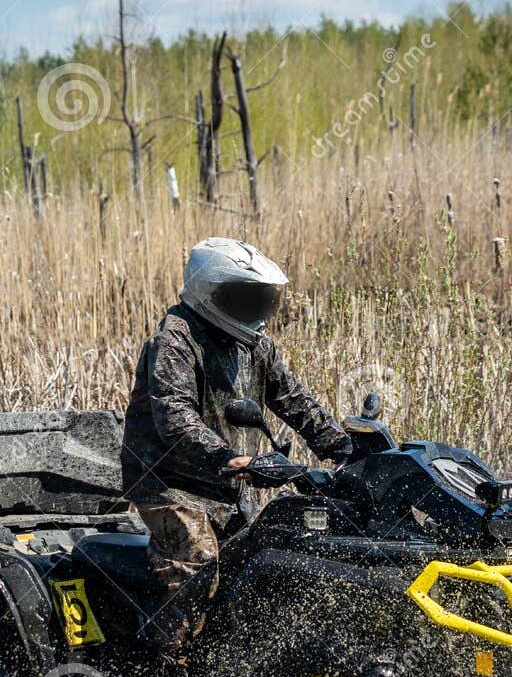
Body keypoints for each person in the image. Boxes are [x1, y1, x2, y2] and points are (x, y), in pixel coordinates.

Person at [121, 237, 352, 650]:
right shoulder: (175, 341)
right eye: (246, 299)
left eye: (262, 299)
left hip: (228, 485)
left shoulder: (256, 345)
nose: (257, 310)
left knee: (262, 561)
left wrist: (342, 448)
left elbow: (294, 400)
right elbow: (175, 418)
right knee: (198, 560)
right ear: (210, 293)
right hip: (168, 486)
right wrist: (230, 459)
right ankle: (167, 667)